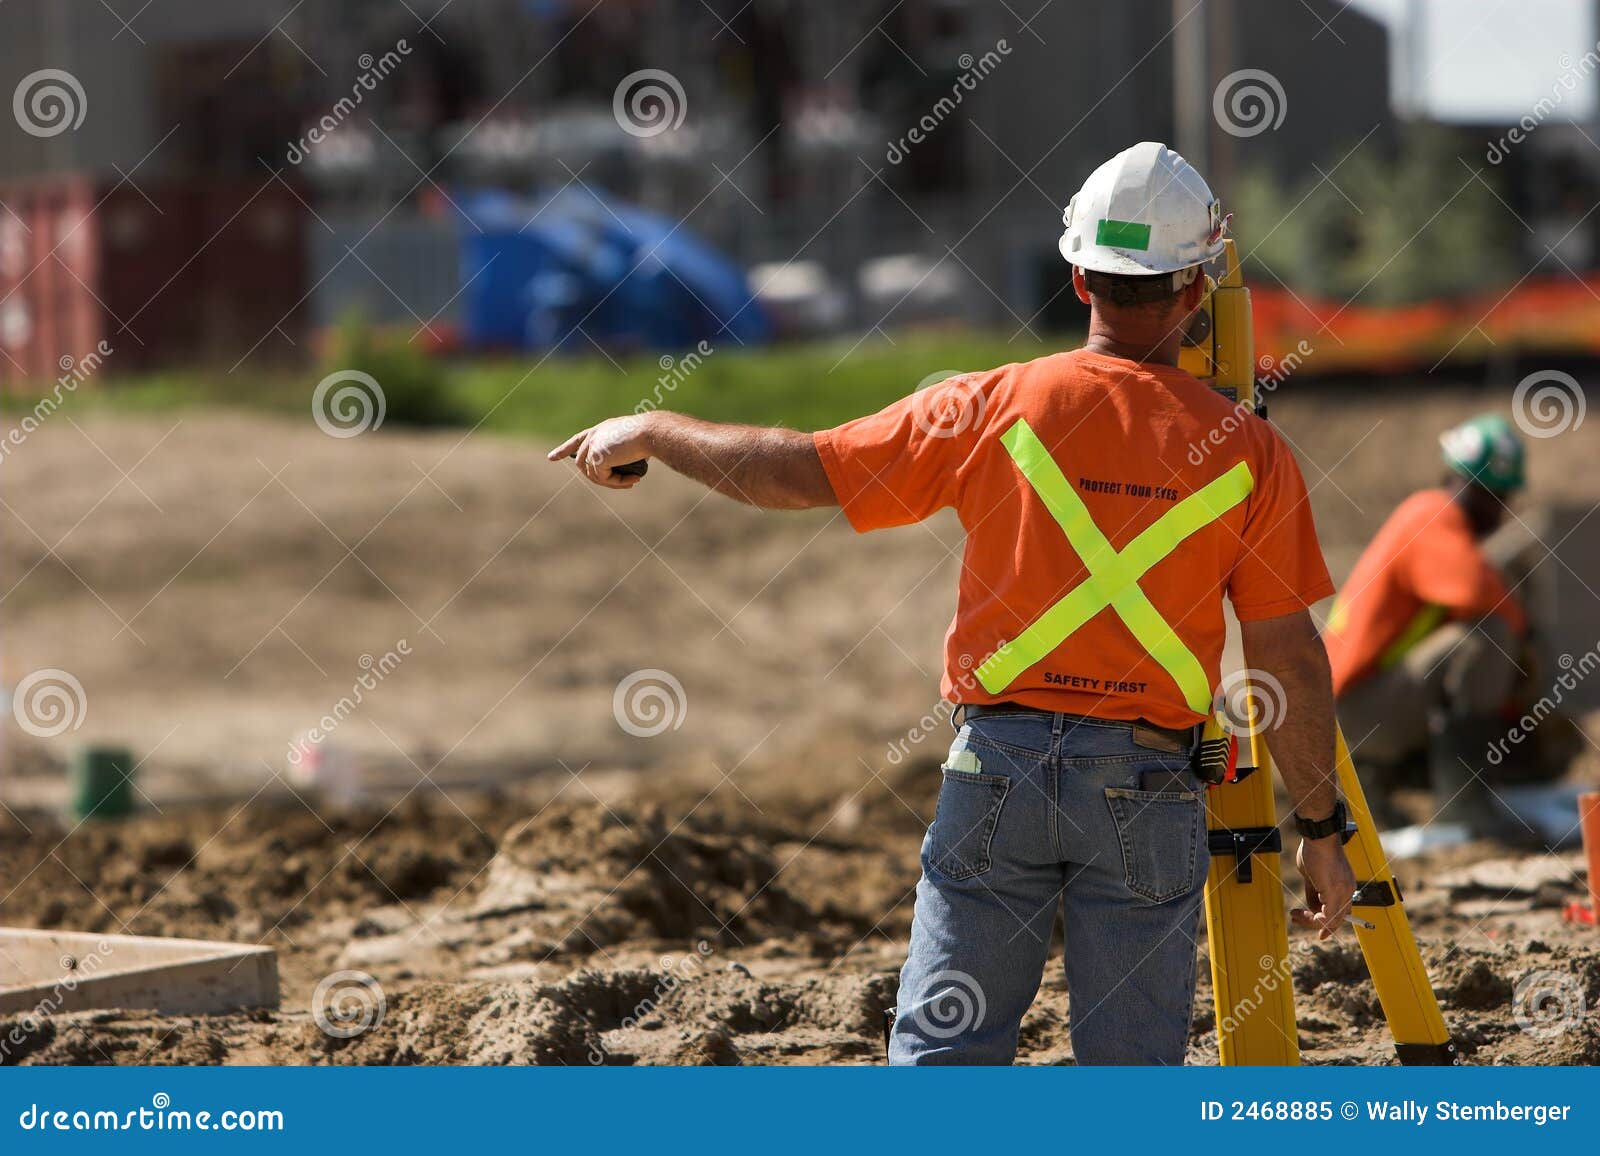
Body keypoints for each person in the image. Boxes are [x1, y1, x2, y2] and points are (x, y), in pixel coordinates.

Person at [551, 141, 1355, 1065]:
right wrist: (1321, 829)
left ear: (1079, 277)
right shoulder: (1249, 453)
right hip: (1147, 784)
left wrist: (652, 426)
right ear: (1196, 289)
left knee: (943, 1074)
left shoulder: (989, 405)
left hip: (998, 769)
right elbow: (1287, 659)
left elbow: (795, 471)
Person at [1325, 414, 1530, 836]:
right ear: (1486, 491)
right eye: (1500, 496)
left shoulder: (1434, 520)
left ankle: (1388, 779)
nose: (1504, 510)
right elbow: (1478, 592)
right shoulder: (1431, 514)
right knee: (1489, 639)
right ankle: (1465, 806)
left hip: (1357, 710)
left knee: (1480, 640)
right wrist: (1528, 643)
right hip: (1354, 717)